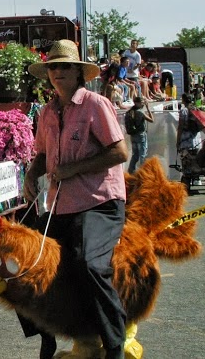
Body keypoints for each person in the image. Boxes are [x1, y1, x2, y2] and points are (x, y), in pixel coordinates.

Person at [21, 40, 129, 359]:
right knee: (22, 264)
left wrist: (74, 169)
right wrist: (30, 174)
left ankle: (114, 344)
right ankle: (46, 334)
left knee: (90, 264)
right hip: (61, 206)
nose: (57, 72)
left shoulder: (95, 104)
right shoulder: (46, 111)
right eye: (52, 67)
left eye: (63, 66)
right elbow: (42, 155)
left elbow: (119, 152)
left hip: (100, 203)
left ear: (78, 72)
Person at [125, 96, 154, 173]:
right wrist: (148, 108)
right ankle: (143, 173)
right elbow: (152, 120)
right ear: (137, 103)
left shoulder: (129, 112)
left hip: (133, 136)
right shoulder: (140, 112)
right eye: (141, 102)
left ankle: (130, 171)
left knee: (135, 155)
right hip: (141, 136)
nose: (143, 104)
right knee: (143, 155)